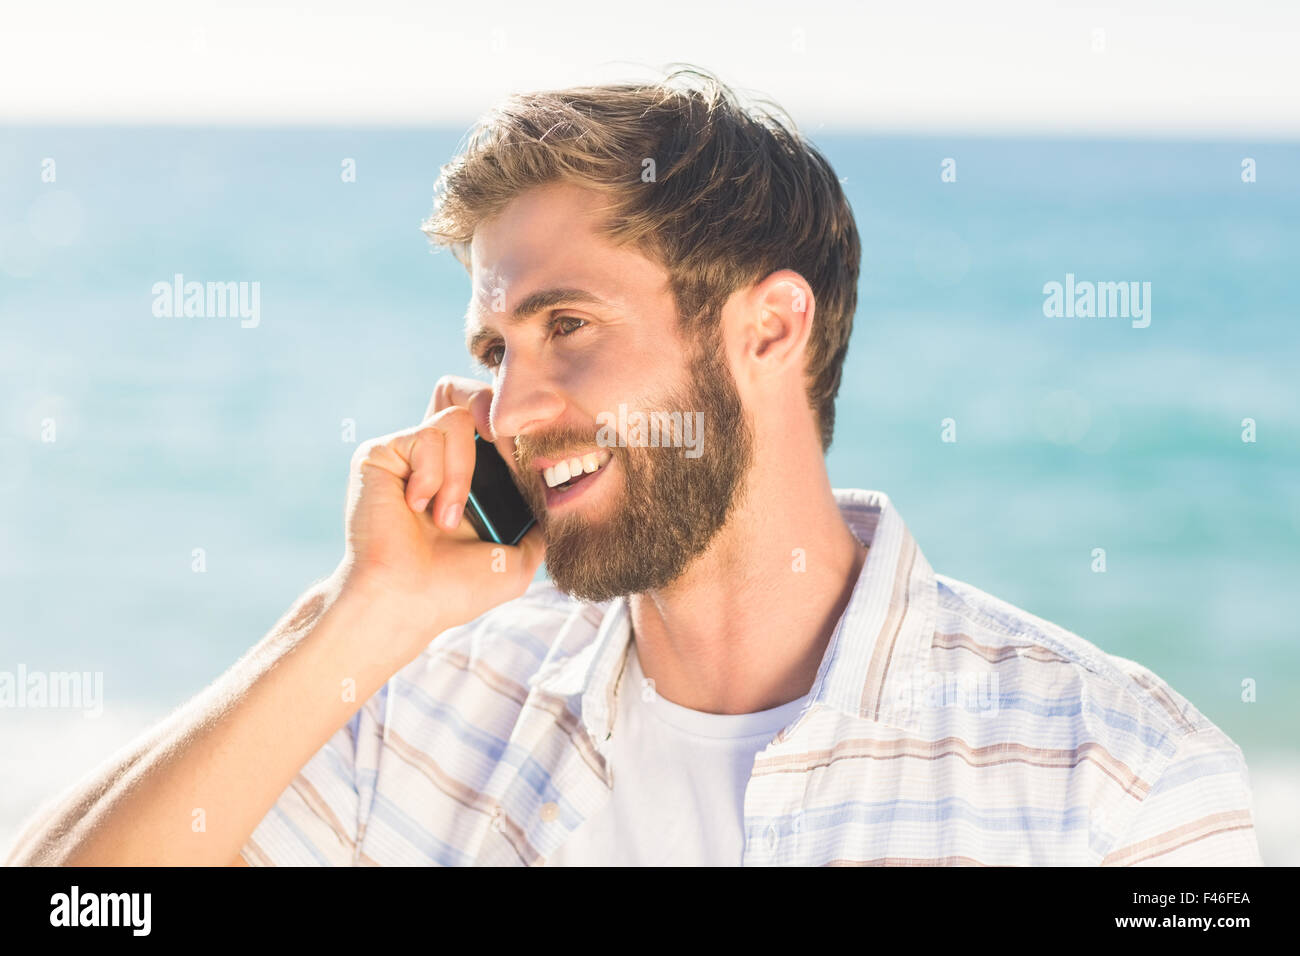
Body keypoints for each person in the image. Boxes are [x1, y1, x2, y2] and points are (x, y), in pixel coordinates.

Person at [6, 67, 1262, 867]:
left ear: (769, 327)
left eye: (567, 326)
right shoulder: (429, 709)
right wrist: (361, 615)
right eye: (495, 348)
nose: (514, 404)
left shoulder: (1118, 775)